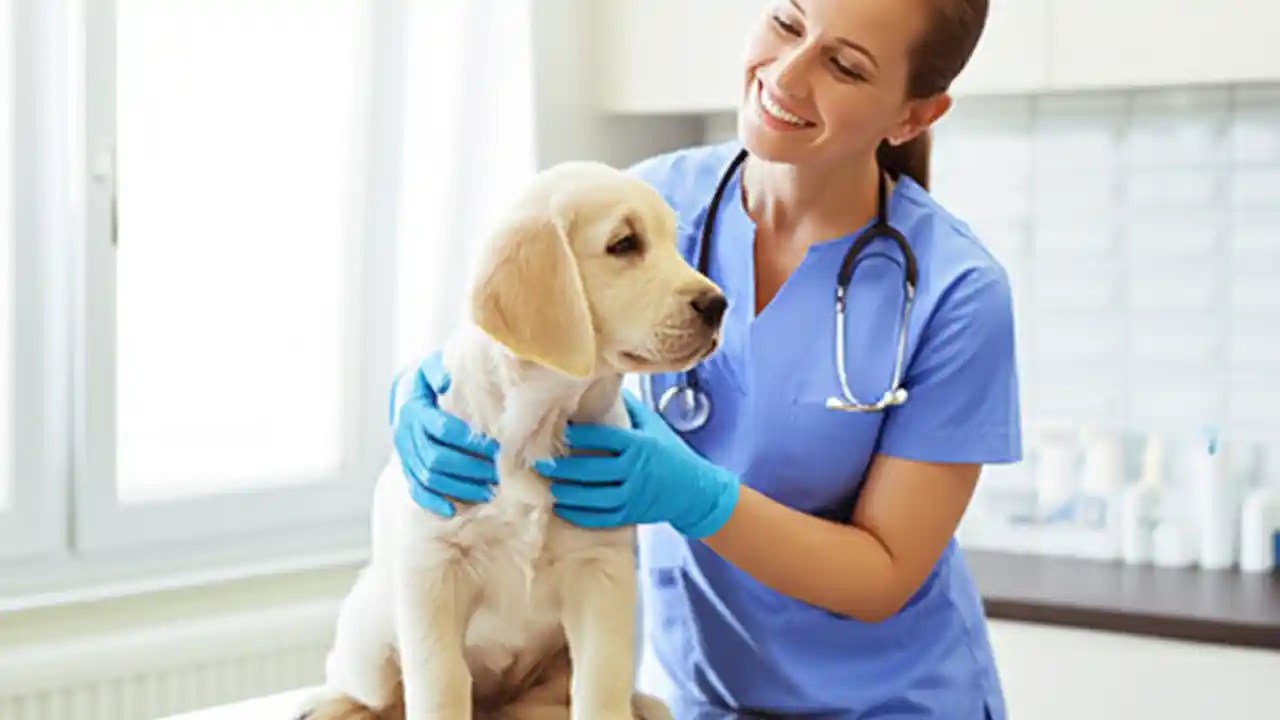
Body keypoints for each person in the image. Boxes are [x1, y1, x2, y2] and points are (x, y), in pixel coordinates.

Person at [391, 0, 1020, 716]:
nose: (786, 74)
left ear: (912, 116)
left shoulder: (957, 292)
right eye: (787, 22)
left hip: (892, 704)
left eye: (844, 65)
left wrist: (699, 497)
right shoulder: (649, 205)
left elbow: (884, 576)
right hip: (703, 699)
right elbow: (523, 320)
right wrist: (424, 393)